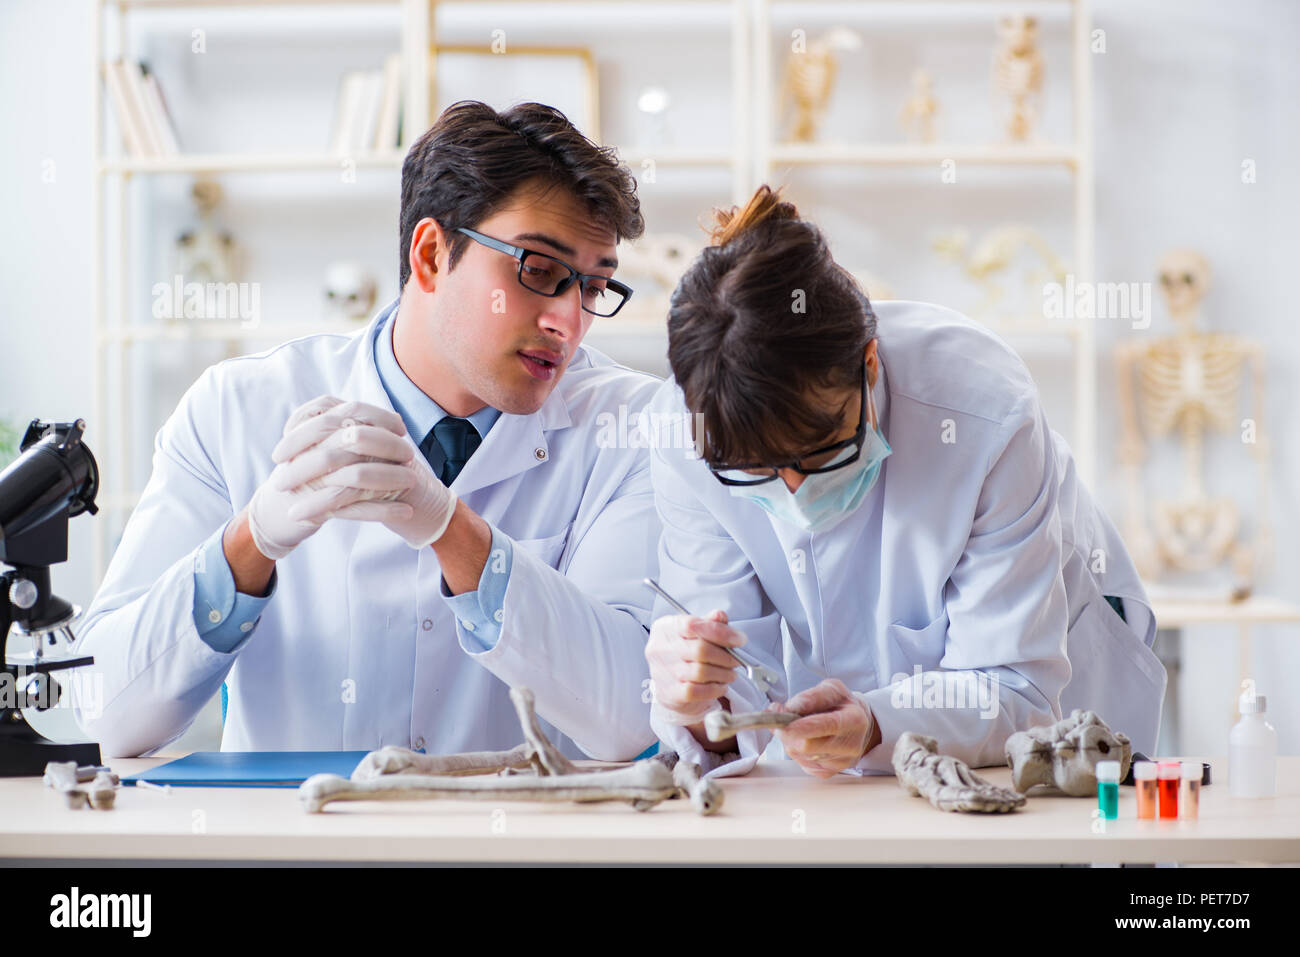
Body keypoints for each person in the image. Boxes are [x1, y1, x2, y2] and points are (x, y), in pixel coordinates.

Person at [74, 101, 662, 762]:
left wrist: (450, 529)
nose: (568, 321)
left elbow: (627, 717)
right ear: (433, 254)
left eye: (592, 286)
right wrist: (250, 540)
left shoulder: (630, 428)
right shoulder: (236, 409)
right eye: (541, 271)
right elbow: (105, 710)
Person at [644, 186, 1166, 778]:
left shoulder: (980, 411)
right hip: (840, 765)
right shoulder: (684, 432)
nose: (793, 492)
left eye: (819, 453)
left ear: (868, 365)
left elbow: (1014, 688)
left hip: (1063, 691)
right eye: (756, 472)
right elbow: (732, 678)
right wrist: (692, 696)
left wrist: (876, 723)